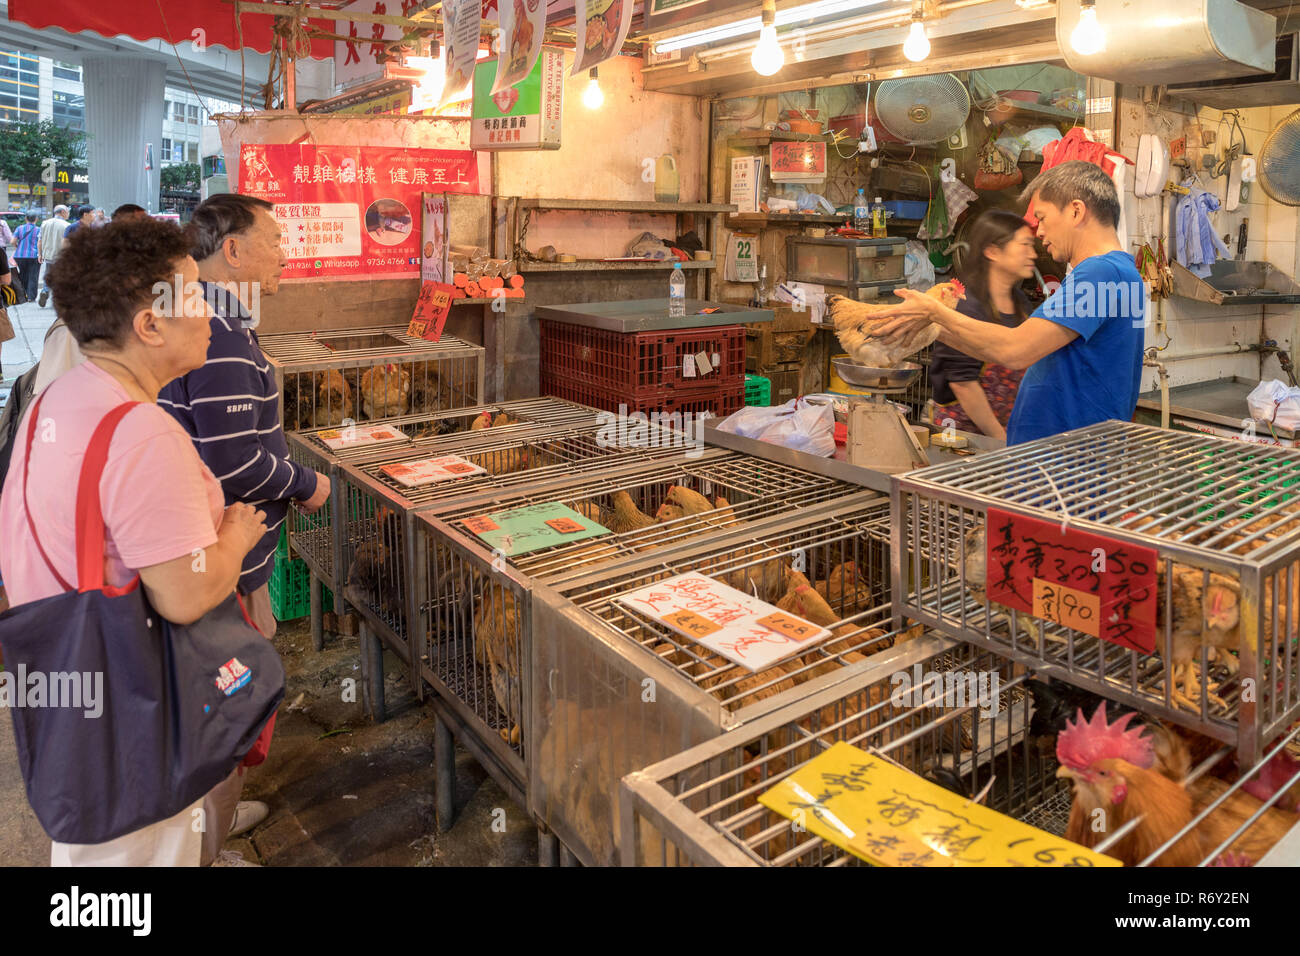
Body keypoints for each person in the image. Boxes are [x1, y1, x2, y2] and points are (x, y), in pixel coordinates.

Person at [0, 218, 269, 865]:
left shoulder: (56, 398)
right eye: (195, 295)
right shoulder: (141, 432)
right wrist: (236, 537)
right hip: (134, 699)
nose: (211, 311)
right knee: (140, 850)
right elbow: (184, 596)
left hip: (68, 674)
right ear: (150, 325)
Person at [159, 193, 330, 860]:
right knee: (231, 710)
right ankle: (204, 849)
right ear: (233, 250)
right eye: (276, 239)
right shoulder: (220, 334)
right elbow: (234, 461)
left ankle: (211, 826)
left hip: (214, 553)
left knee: (220, 705)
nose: (286, 251)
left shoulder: (211, 320)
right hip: (223, 562)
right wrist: (307, 483)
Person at [872, 160, 1146, 445]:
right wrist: (933, 327)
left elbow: (1015, 350)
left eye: (1042, 218)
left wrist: (934, 311)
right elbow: (1006, 350)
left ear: (1076, 211)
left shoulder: (1100, 273)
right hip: (1071, 452)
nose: (1039, 232)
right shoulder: (1124, 274)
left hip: (1065, 458)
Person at [928, 210, 1038, 441]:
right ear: (992, 251)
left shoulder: (1021, 303)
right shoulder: (966, 306)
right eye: (1025, 245)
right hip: (959, 434)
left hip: (1005, 430)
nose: (1033, 254)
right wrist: (1001, 440)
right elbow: (963, 384)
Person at [36, 204, 69, 307]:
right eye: (67, 212)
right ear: (63, 212)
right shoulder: (67, 225)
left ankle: (45, 290)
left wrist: (40, 254)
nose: (68, 214)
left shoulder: (45, 223)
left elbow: (40, 240)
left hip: (48, 256)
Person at [13, 214, 40, 302]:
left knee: (22, 275)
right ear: (36, 219)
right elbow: (40, 243)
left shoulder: (19, 228)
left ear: (25, 219)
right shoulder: (39, 229)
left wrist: (17, 247)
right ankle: (31, 297)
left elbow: (12, 241)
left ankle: (23, 295)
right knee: (33, 275)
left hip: (20, 255)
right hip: (34, 255)